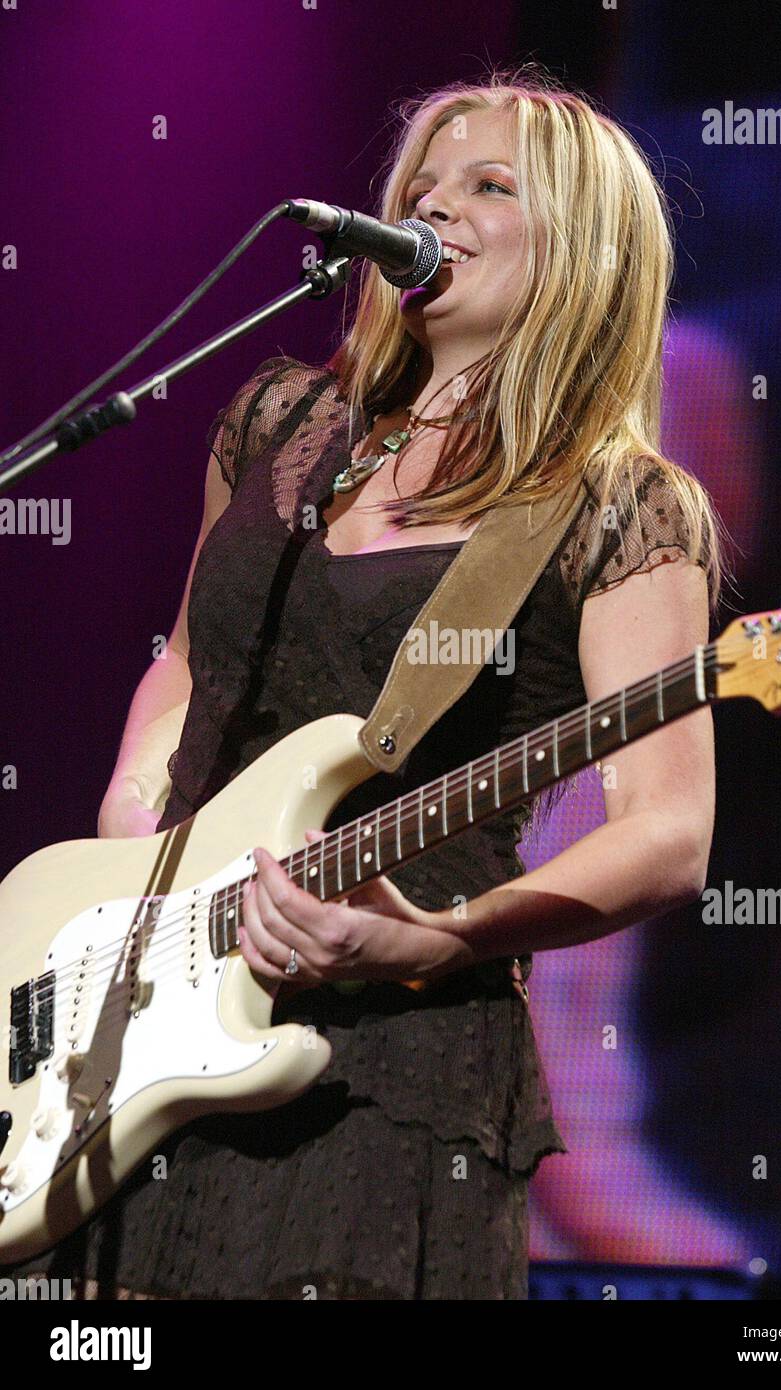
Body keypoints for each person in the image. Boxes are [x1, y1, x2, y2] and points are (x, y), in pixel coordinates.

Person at [4, 69, 724, 1300]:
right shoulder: (280, 422)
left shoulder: (621, 504)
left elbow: (667, 830)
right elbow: (187, 663)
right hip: (149, 1017)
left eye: (489, 187)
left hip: (386, 1071)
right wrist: (139, 831)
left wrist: (433, 933)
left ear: (583, 249)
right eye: (420, 189)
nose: (435, 209)